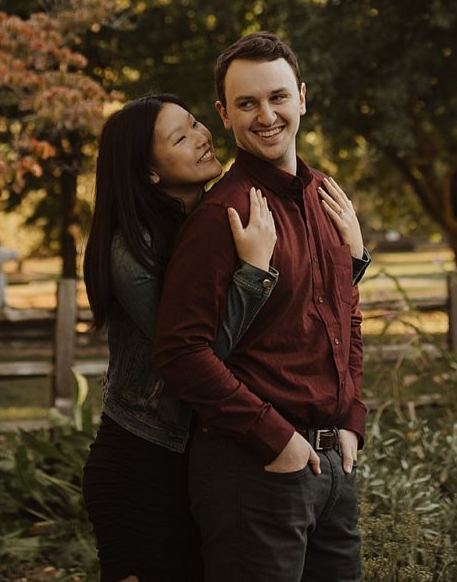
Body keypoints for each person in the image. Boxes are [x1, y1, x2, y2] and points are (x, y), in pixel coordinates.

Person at [155, 32, 369, 582]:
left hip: (332, 467)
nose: (266, 115)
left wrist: (350, 420)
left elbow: (347, 318)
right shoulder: (221, 215)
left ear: (301, 96)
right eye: (247, 104)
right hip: (255, 469)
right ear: (224, 115)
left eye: (277, 97)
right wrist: (278, 442)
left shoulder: (327, 197)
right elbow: (181, 352)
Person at [80, 94, 281, 582]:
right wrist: (253, 269)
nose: (201, 136)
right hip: (141, 461)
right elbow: (199, 352)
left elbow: (281, 322)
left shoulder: (211, 221)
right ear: (150, 172)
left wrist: (352, 261)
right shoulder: (132, 251)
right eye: (180, 136)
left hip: (201, 458)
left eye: (195, 123)